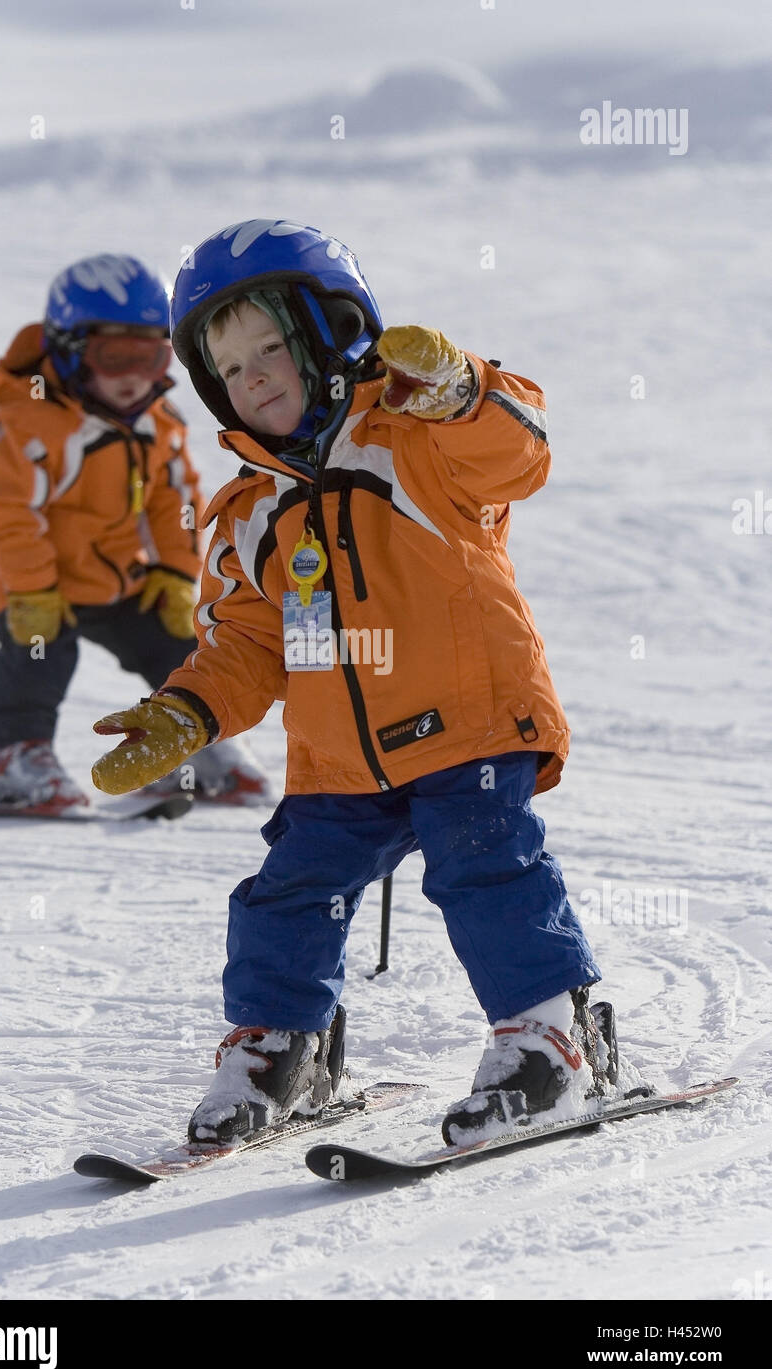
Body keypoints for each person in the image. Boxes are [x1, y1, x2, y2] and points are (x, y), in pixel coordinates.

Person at [91, 220, 618, 1146]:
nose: (253, 378)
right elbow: (248, 641)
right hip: (338, 763)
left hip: (469, 728)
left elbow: (519, 456)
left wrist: (460, 393)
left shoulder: (420, 437)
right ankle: (280, 1049)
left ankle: (548, 1040)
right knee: (285, 895)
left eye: (271, 349)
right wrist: (186, 712)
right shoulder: (251, 512)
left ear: (335, 332)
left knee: (486, 868)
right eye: (232, 369)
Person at [0, 253, 268, 812]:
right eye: (115, 357)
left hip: (115, 575)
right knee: (43, 651)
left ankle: (187, 744)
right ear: (69, 350)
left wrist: (171, 574)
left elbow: (176, 503)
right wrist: (30, 589)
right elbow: (1, 512)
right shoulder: (25, 422)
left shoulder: (154, 422)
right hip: (28, 585)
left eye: (151, 358)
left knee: (175, 643)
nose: (134, 377)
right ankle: (7, 756)